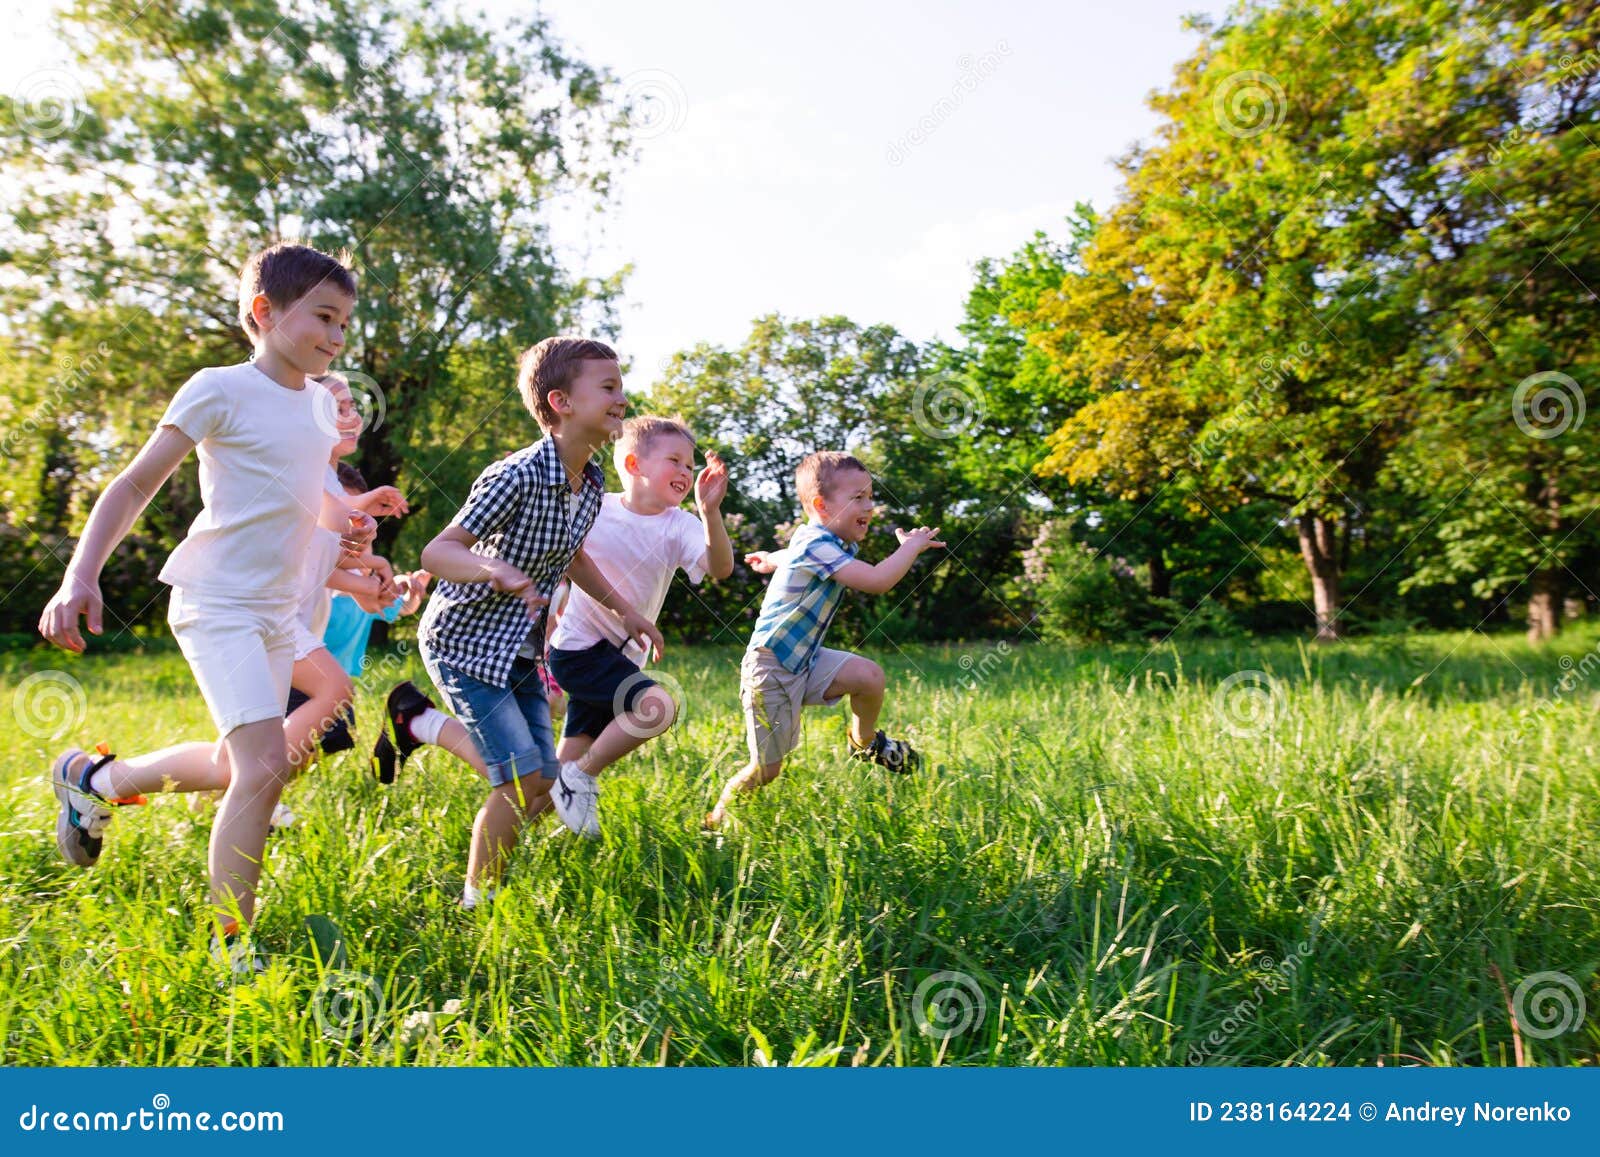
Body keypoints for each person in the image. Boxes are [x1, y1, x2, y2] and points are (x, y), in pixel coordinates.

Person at [38, 243, 375, 963]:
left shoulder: (319, 405)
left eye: (345, 322)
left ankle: (92, 779)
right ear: (265, 312)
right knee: (262, 769)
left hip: (276, 610)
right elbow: (133, 486)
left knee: (235, 765)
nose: (338, 337)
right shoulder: (217, 388)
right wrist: (80, 574)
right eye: (324, 317)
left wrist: (350, 529)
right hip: (217, 599)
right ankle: (231, 944)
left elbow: (310, 491)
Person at [411, 336, 663, 908]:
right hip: (466, 645)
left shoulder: (592, 483)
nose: (621, 398)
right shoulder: (516, 475)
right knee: (521, 778)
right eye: (608, 387)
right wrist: (494, 570)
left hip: (523, 651)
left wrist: (626, 611)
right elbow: (438, 552)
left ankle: (491, 889)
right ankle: (477, 904)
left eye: (621, 386)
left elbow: (572, 554)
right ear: (561, 401)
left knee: (544, 778)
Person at [704, 452, 942, 830]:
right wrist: (909, 549)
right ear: (820, 505)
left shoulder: (817, 539)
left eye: (870, 496)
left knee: (869, 677)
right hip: (771, 667)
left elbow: (797, 552)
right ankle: (716, 820)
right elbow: (878, 581)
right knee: (766, 769)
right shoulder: (817, 544)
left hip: (804, 658)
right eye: (858, 498)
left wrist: (771, 559)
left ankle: (864, 744)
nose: (869, 506)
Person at [542, 416, 733, 837]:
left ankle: (540, 818)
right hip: (577, 648)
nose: (686, 471)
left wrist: (709, 512)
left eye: (690, 464)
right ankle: (580, 781)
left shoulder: (680, 523)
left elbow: (720, 568)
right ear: (633, 465)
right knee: (657, 707)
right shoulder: (597, 509)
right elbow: (565, 558)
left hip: (622, 657)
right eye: (675, 460)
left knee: (561, 766)